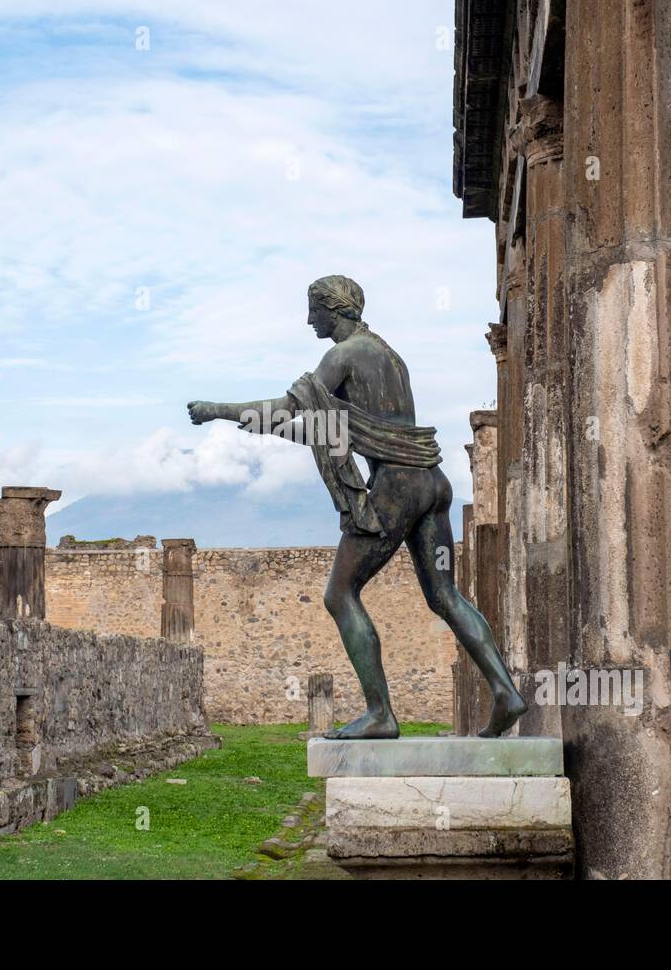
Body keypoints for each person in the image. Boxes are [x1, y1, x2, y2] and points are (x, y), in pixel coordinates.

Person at [188, 274, 527, 738]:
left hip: (396, 485)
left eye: (314, 310)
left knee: (339, 594)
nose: (309, 319)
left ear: (336, 308)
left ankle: (380, 714)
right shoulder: (390, 355)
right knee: (445, 596)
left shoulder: (342, 355)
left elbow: (288, 409)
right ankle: (505, 690)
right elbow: (330, 426)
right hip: (432, 480)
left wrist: (217, 410)